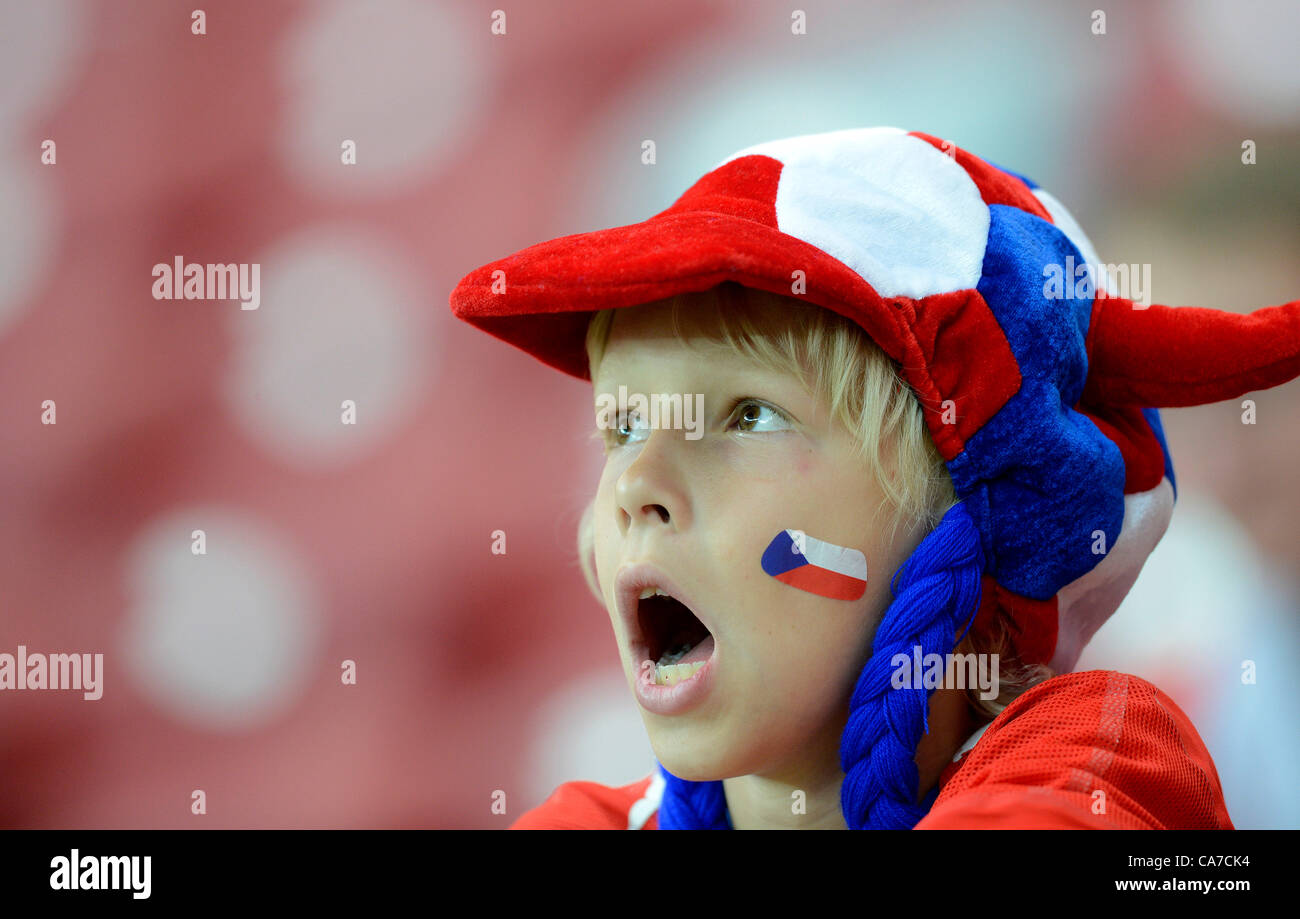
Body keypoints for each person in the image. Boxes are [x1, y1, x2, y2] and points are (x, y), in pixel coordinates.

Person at [448, 127, 1299, 829]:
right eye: (624, 427)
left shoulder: (1103, 762)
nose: (636, 483)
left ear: (964, 517)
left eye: (750, 416)